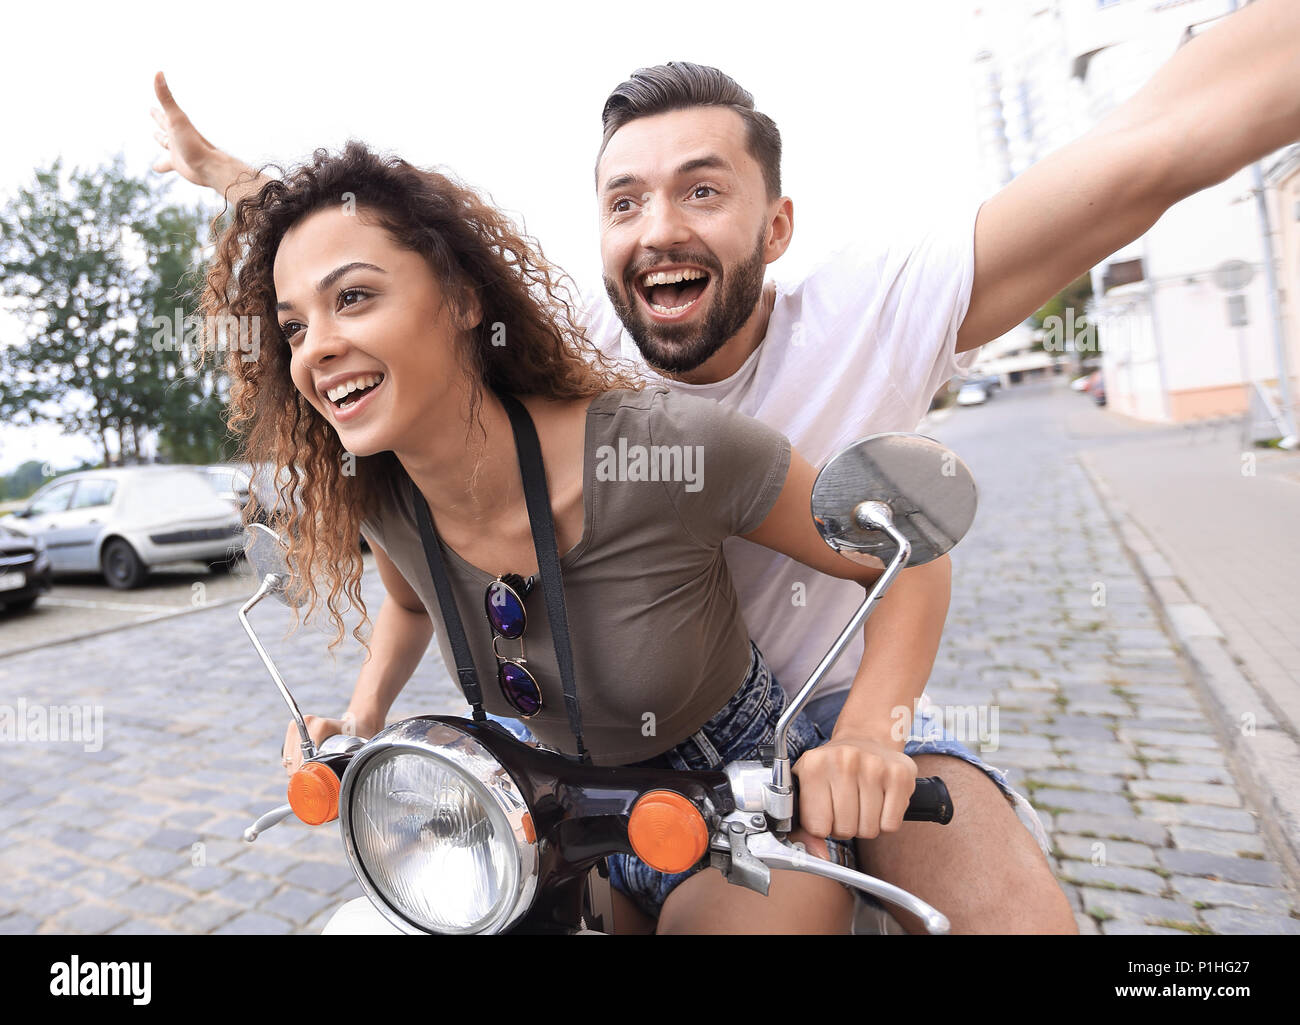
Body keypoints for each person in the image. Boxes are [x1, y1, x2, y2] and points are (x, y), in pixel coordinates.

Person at [153, 0, 1300, 933]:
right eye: (624, 200)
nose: (658, 227)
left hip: (819, 722)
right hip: (583, 781)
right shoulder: (553, 362)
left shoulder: (863, 309)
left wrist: (871, 734)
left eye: (702, 190)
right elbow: (387, 279)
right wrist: (244, 187)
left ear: (777, 221)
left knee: (990, 892)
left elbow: (1143, 154)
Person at [202, 140, 957, 933]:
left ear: (463, 299)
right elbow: (410, 604)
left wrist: (873, 733)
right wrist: (358, 721)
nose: (315, 346)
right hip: (538, 813)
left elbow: (905, 552)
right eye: (292, 326)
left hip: (738, 807)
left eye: (352, 298)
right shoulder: (385, 495)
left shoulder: (666, 452)